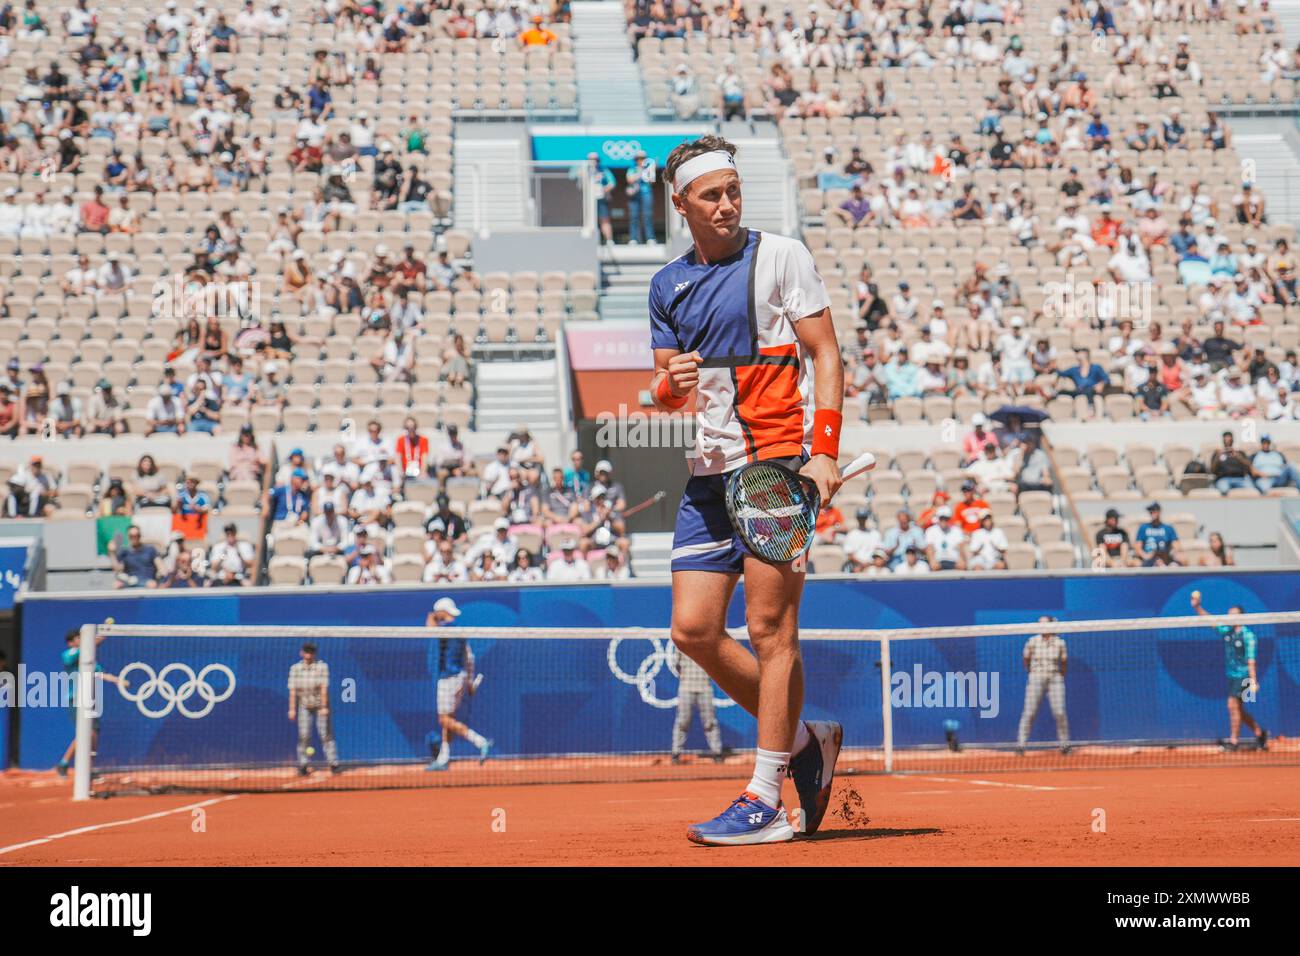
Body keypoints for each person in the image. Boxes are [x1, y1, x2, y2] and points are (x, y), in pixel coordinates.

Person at [650, 135, 848, 845]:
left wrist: (822, 452)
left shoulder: (782, 255)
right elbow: (670, 390)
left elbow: (826, 353)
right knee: (693, 630)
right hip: (706, 475)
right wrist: (661, 388)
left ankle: (765, 796)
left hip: (773, 468)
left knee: (771, 633)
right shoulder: (666, 285)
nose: (728, 202)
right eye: (712, 194)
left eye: (734, 189)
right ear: (682, 205)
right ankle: (805, 742)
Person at [1191, 594, 1267, 752]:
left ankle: (1233, 742)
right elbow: (1211, 621)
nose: (1229, 616)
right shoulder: (1227, 631)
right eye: (1229, 614)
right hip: (1232, 676)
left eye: (1233, 614)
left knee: (1232, 706)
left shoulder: (1248, 636)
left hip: (1245, 677)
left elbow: (1251, 660)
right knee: (1238, 709)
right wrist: (1197, 607)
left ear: (1240, 617)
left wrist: (1253, 680)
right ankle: (1260, 734)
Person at [425, 597, 492, 770]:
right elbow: (470, 657)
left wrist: (431, 617)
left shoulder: (444, 630)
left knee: (444, 719)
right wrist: (469, 681)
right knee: (450, 718)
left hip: (448, 678)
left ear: (442, 612)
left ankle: (480, 741)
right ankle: (443, 758)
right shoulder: (460, 631)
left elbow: (428, 630)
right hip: (460, 677)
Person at [55, 627, 129, 777]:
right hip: (75, 699)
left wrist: (117, 680)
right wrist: (99, 638)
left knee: (93, 734)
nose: (81, 640)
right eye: (78, 638)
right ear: (70, 643)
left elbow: (100, 674)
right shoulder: (68, 655)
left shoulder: (89, 661)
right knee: (86, 732)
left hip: (90, 699)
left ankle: (88, 769)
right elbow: (86, 648)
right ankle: (63, 763)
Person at [1015, 616, 1070, 756]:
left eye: (1044, 624)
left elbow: (1064, 662)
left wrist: (1059, 675)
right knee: (1029, 712)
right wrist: (1033, 672)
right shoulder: (1032, 641)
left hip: (1055, 677)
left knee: (1060, 712)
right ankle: (1021, 745)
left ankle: (1065, 745)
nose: (1042, 626)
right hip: (1036, 677)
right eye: (1040, 624)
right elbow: (1025, 659)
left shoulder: (1060, 643)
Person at [288, 642, 341, 775]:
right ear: (302, 653)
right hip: (304, 705)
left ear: (315, 653)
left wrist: (324, 707)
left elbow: (324, 688)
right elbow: (293, 690)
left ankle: (333, 763)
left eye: (311, 652)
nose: (308, 654)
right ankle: (303, 764)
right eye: (306, 651)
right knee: (304, 735)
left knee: (326, 734)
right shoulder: (295, 668)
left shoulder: (322, 666)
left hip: (320, 705)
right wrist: (292, 709)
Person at [670, 645, 725, 765]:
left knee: (710, 722)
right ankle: (676, 754)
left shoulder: (708, 643)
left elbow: (715, 663)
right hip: (686, 687)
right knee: (682, 722)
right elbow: (677, 665)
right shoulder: (681, 644)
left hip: (705, 687)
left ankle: (717, 753)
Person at [1134, 501, 1181, 566]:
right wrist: (1145, 556)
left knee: (1179, 561)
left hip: (1165, 557)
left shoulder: (1168, 528)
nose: (1152, 513)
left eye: (1154, 510)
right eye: (1150, 511)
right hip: (1149, 558)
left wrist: (1169, 554)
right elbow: (1137, 547)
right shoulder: (1143, 527)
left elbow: (1176, 545)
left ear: (1159, 511)